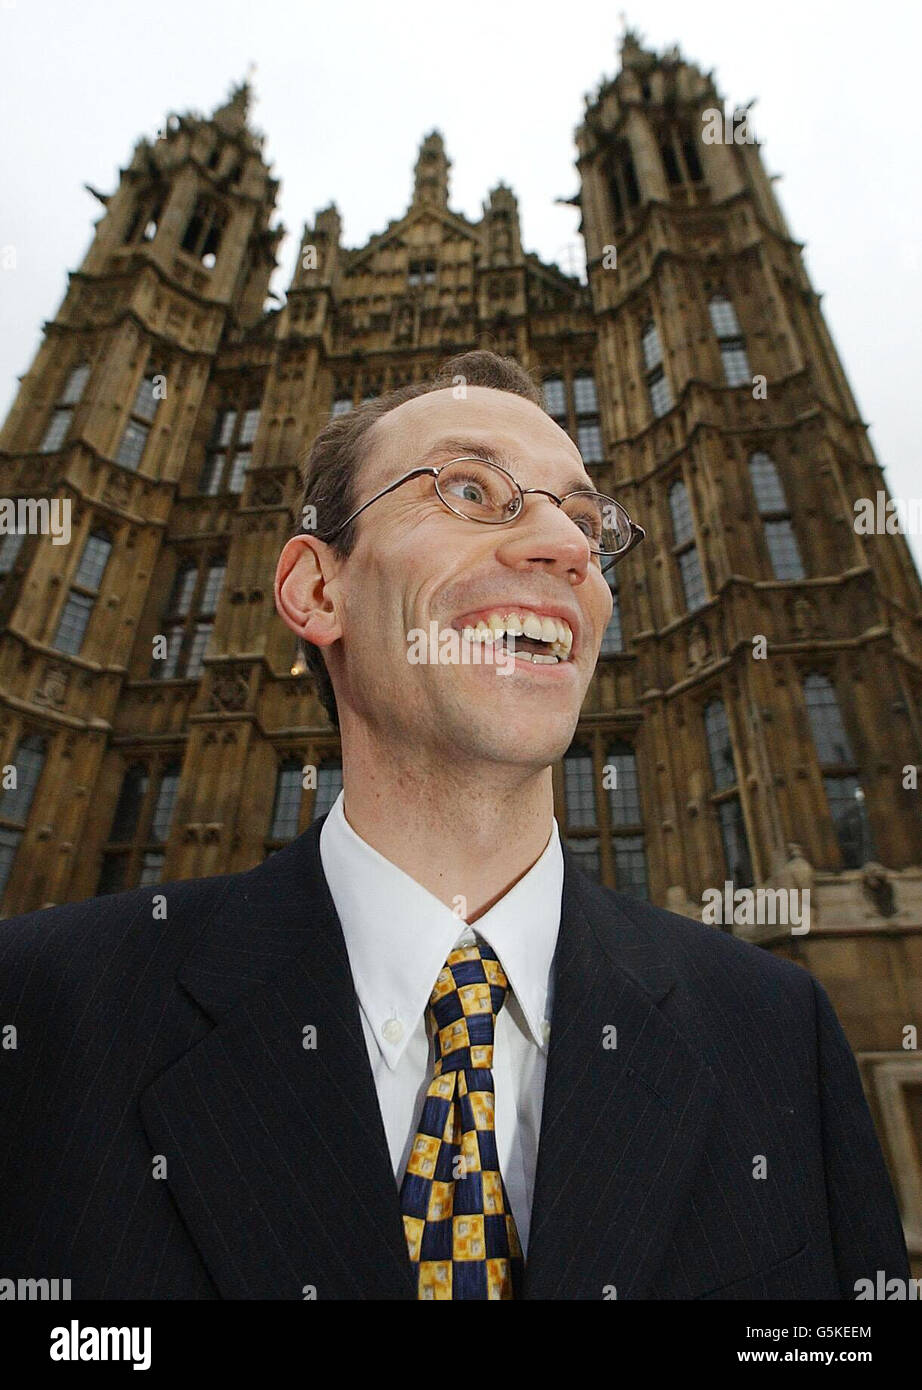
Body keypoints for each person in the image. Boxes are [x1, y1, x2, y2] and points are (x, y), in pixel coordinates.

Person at [0, 351, 909, 1300]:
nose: (563, 545)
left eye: (587, 522)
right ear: (317, 591)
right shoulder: (39, 1017)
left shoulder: (781, 1039)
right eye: (470, 490)